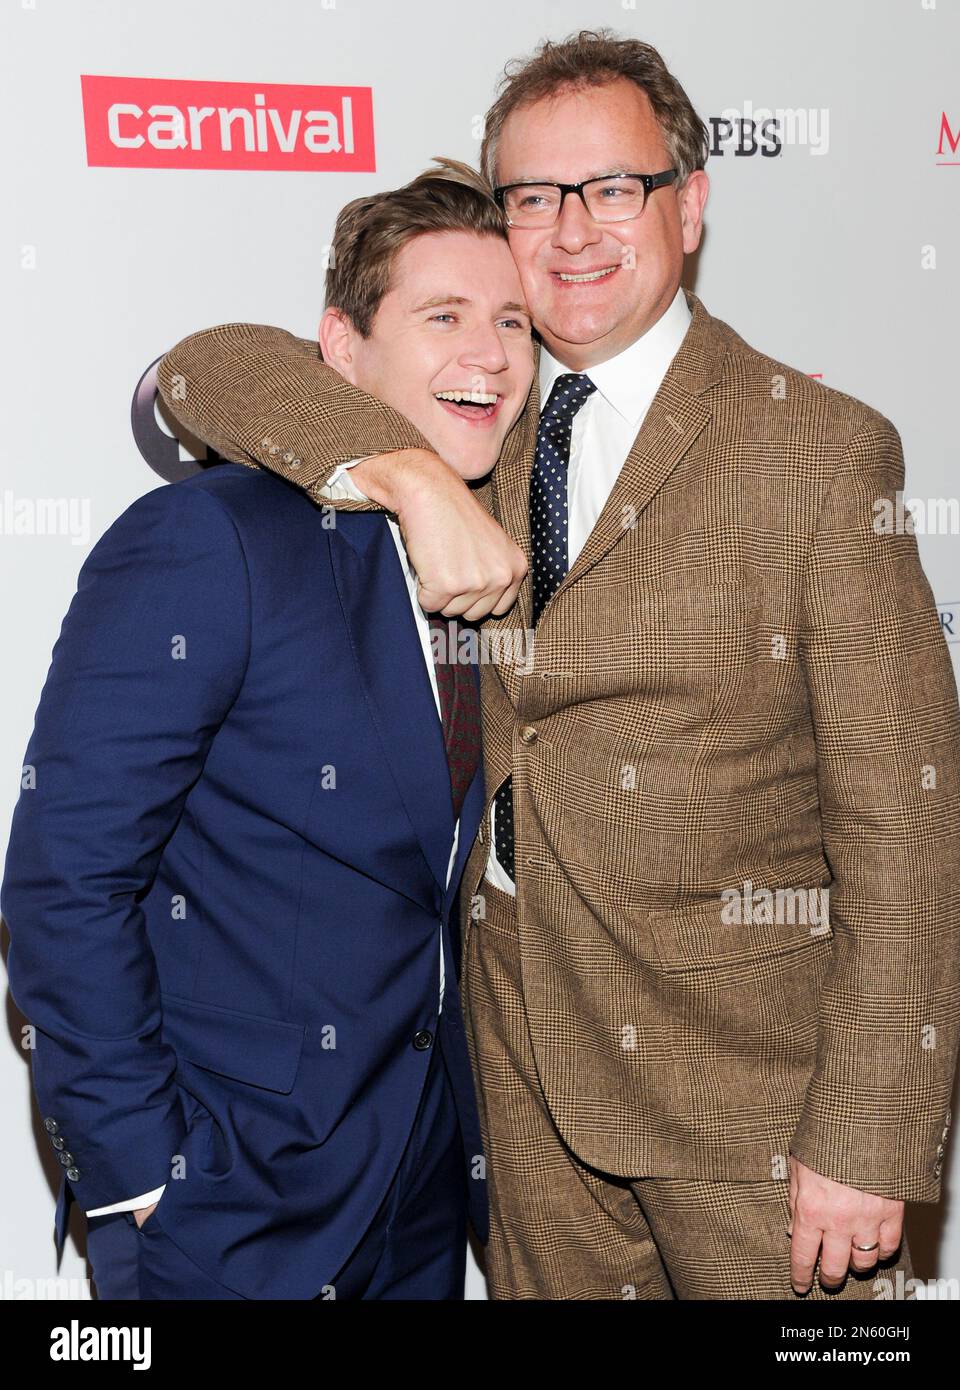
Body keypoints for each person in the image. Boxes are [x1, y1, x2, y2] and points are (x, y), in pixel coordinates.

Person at [156, 30, 960, 1301]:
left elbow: (906, 821)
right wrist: (411, 478)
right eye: (534, 197)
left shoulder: (819, 454)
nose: (574, 229)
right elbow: (202, 369)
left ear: (689, 207)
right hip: (520, 1101)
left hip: (754, 1115)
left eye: (614, 189)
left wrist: (866, 1135)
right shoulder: (477, 410)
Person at [1, 160, 533, 1300]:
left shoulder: (501, 551)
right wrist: (142, 1175)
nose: (486, 353)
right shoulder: (213, 540)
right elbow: (64, 880)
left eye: (511, 322)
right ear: (340, 352)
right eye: (442, 316)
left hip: (422, 1207)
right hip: (223, 1215)